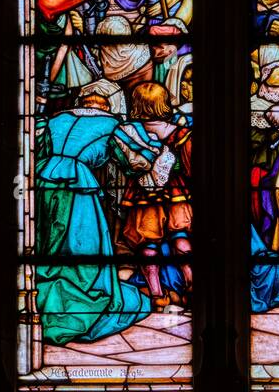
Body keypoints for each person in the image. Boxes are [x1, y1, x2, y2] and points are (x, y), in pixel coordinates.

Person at [35, 86, 161, 345]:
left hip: (44, 183)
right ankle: (78, 304)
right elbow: (138, 160)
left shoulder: (55, 119)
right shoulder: (111, 123)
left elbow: (37, 147)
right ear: (104, 106)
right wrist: (158, 151)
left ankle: (47, 298)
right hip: (78, 187)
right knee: (84, 246)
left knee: (48, 247)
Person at [118, 82, 192, 308]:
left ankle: (157, 295)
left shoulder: (128, 133)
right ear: (164, 104)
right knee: (181, 239)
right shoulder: (181, 134)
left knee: (147, 247)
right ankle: (191, 284)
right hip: (176, 196)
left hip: (143, 198)